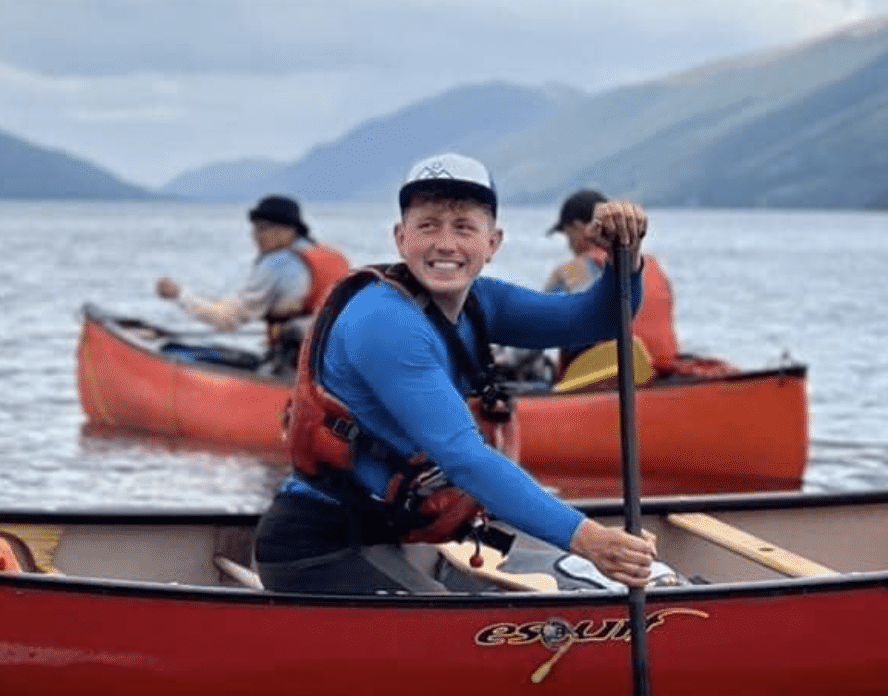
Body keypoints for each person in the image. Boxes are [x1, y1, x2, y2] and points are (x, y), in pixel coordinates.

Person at [251, 153, 658, 595]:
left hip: (387, 537)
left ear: (493, 242)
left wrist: (625, 257)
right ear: (401, 238)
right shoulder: (384, 321)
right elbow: (463, 456)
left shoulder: (481, 302)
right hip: (319, 549)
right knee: (466, 621)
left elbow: (594, 319)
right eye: (428, 225)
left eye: (464, 227)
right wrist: (588, 538)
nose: (445, 243)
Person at [156, 195, 350, 371]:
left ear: (286, 230)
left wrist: (179, 295)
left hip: (298, 366)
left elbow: (227, 318)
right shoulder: (331, 255)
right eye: (255, 228)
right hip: (335, 365)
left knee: (176, 352)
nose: (254, 236)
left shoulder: (278, 264)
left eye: (262, 228)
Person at [545, 188, 680, 376]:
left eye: (568, 235)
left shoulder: (571, 272)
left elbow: (534, 333)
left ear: (578, 227)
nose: (569, 245)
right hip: (662, 373)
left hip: (610, 376)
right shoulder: (652, 265)